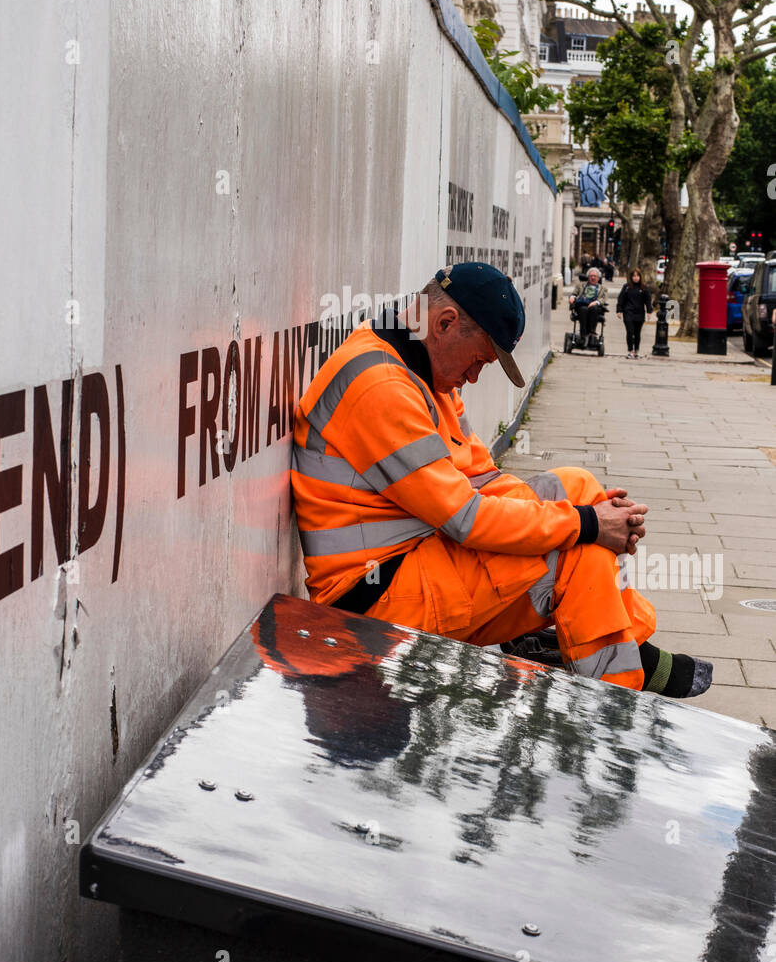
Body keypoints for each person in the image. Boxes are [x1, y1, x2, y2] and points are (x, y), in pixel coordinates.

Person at [290, 263, 712, 698]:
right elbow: (467, 519)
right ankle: (617, 703)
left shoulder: (419, 363)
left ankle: (628, 641)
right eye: (478, 360)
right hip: (374, 600)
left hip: (417, 559)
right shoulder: (381, 387)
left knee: (577, 485)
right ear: (445, 323)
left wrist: (590, 511)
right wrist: (586, 524)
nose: (473, 377)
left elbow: (483, 477)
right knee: (578, 553)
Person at [617, 268, 654, 359]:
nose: (636, 278)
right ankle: (630, 351)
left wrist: (649, 311)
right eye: (634, 276)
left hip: (639, 314)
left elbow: (648, 300)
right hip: (628, 312)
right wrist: (619, 310)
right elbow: (621, 299)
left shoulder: (644, 288)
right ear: (631, 277)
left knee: (637, 333)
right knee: (630, 332)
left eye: (637, 276)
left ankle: (636, 350)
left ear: (640, 277)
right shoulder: (626, 287)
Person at [568, 267, 607, 342]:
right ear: (588, 277)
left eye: (595, 276)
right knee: (583, 309)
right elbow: (574, 294)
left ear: (598, 278)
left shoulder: (603, 288)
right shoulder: (581, 285)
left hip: (595, 306)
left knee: (593, 308)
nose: (593, 278)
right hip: (582, 304)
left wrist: (596, 302)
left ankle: (591, 331)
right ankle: (583, 333)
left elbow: (603, 298)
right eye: (591, 276)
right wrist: (572, 297)